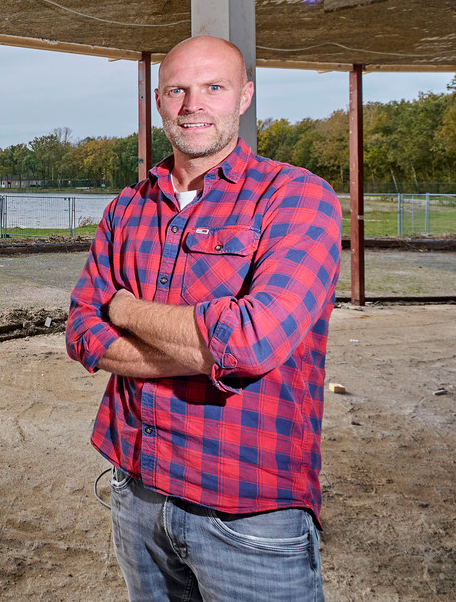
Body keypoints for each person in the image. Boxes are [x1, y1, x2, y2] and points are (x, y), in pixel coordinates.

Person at [66, 35, 342, 601]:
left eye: (213, 87)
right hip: (137, 492)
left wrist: (125, 308)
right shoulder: (128, 206)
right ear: (159, 100)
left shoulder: (296, 197)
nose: (193, 105)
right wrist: (206, 349)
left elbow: (253, 343)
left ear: (244, 96)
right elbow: (81, 331)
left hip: (248, 509)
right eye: (178, 91)